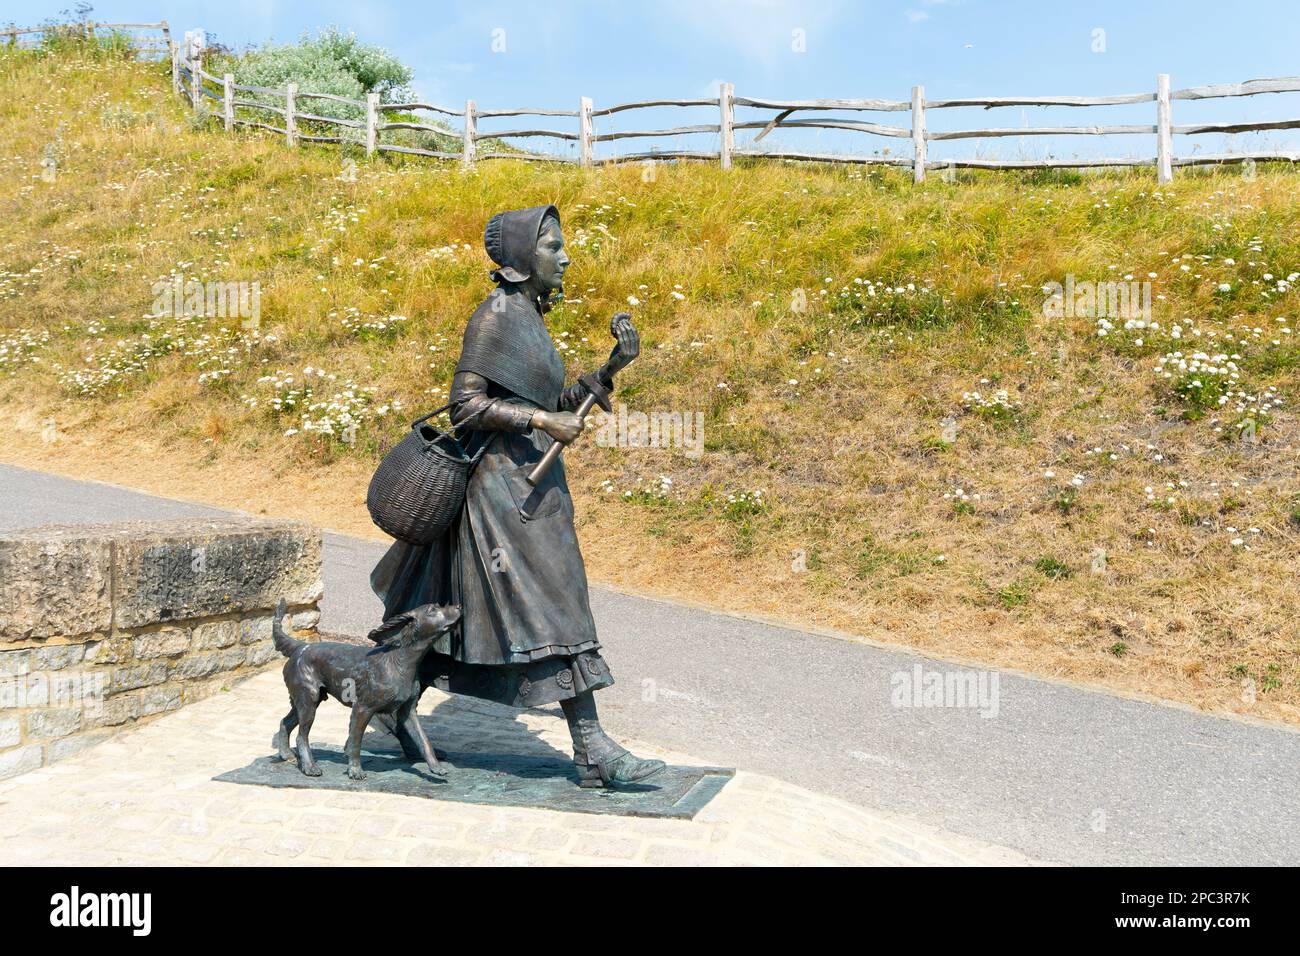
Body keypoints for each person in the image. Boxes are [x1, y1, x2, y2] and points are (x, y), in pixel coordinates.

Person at [370, 204, 665, 788]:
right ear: (521, 258)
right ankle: (592, 746)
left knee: (462, 609)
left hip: (532, 484)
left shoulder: (529, 316)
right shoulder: (494, 317)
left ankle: (387, 700)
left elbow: (556, 405)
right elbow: (465, 406)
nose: (565, 256)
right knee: (555, 601)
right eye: (552, 245)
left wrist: (610, 369)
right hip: (500, 492)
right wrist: (538, 419)